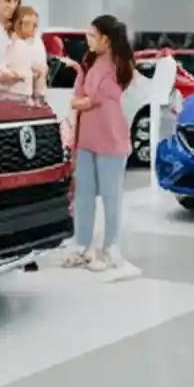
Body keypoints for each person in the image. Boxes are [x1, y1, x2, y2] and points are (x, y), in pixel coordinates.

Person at [65, 14, 140, 280]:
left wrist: (86, 100)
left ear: (106, 39)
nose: (88, 40)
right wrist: (84, 100)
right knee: (84, 195)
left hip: (112, 140)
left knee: (111, 196)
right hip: (87, 139)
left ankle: (110, 248)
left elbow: (98, 97)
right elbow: (78, 97)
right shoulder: (88, 62)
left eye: (92, 35)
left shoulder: (120, 66)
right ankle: (82, 246)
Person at [0, 5, 49, 97]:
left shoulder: (35, 42)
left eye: (36, 25)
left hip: (25, 94)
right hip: (15, 95)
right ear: (21, 24)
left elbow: (39, 69)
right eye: (33, 25)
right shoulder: (13, 44)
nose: (35, 29)